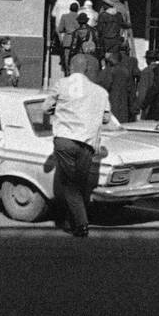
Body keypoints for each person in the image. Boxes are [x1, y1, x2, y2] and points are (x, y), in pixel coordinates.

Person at [42, 54, 112, 238]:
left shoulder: (61, 84)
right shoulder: (100, 91)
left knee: (68, 184)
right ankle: (72, 219)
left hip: (65, 139)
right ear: (87, 69)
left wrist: (57, 110)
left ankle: (81, 224)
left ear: (70, 67)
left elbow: (45, 107)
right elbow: (106, 118)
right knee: (80, 184)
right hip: (87, 142)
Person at [98, 50, 137, 122]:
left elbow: (104, 87)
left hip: (111, 106)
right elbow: (131, 91)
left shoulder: (109, 71)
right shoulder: (126, 71)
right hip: (124, 108)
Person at [57, 3, 81, 75]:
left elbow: (60, 29)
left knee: (67, 56)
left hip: (67, 39)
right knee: (76, 56)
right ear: (77, 9)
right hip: (77, 39)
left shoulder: (64, 16)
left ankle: (67, 72)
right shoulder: (80, 17)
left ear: (70, 8)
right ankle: (74, 72)